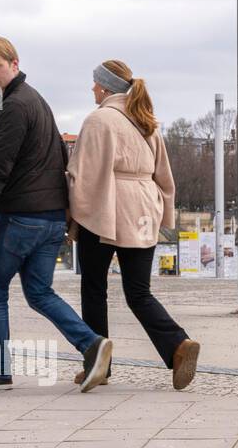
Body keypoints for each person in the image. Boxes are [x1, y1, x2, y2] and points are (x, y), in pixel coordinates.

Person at [0, 37, 112, 391]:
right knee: (40, 292)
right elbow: (60, 154)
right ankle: (92, 344)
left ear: (14, 62)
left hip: (18, 217)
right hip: (50, 219)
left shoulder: (14, 106)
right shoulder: (37, 100)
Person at [66, 59, 199, 390]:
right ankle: (178, 344)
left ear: (106, 87)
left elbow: (83, 174)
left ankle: (98, 364)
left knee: (94, 288)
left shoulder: (99, 120)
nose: (92, 89)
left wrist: (73, 216)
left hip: (106, 207)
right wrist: (163, 213)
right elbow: (163, 175)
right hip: (143, 208)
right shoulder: (146, 122)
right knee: (139, 291)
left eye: (95, 83)